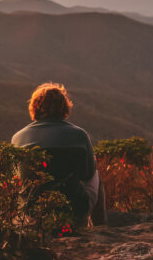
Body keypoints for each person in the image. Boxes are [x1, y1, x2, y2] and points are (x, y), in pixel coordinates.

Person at [11, 82, 107, 227]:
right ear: (64, 107)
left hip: (32, 216)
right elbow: (87, 175)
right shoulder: (79, 135)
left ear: (33, 108)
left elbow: (18, 176)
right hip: (72, 214)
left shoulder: (17, 138)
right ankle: (101, 230)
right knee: (96, 176)